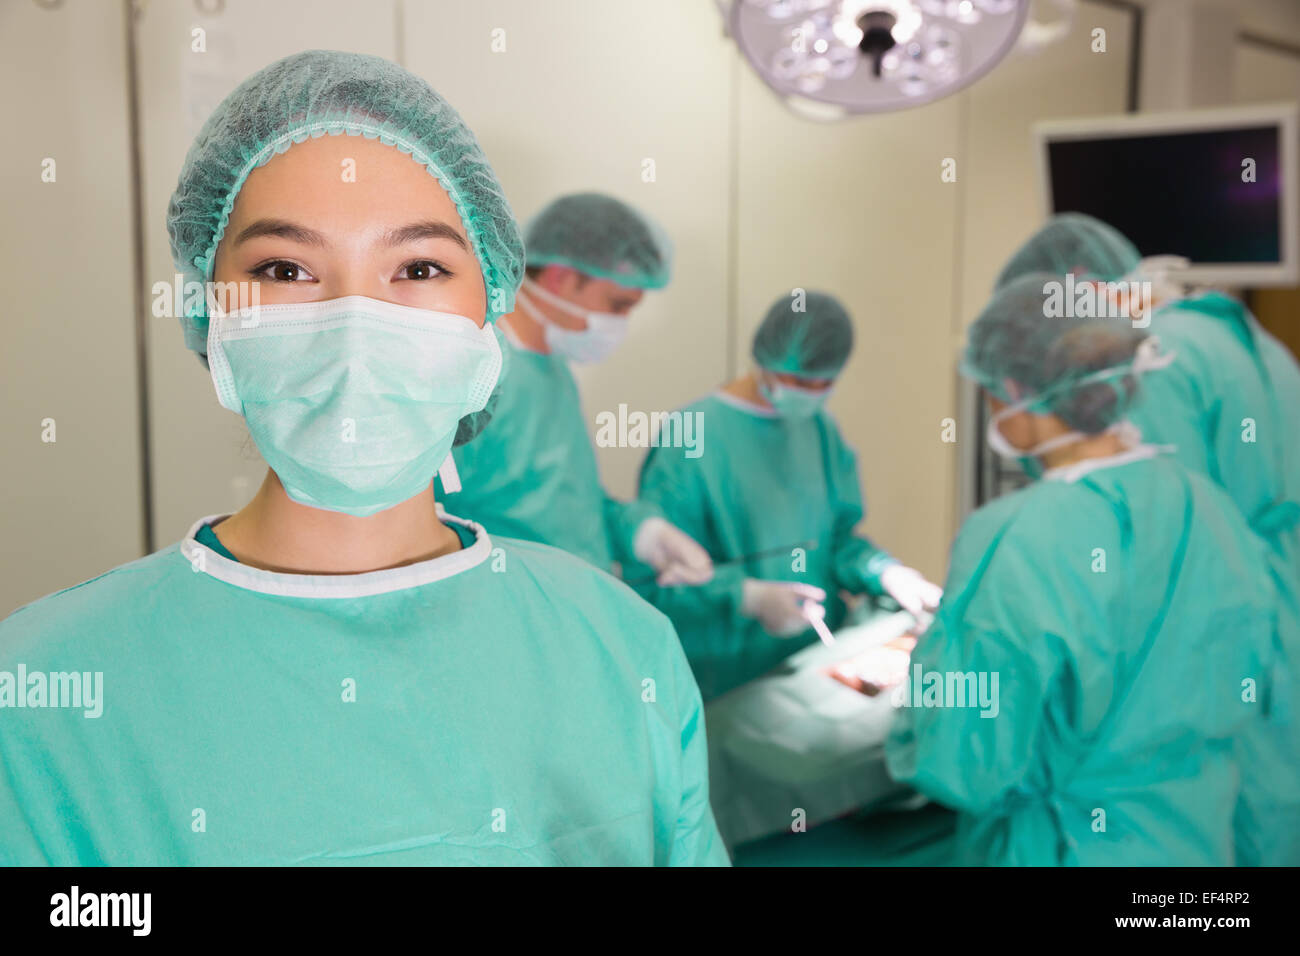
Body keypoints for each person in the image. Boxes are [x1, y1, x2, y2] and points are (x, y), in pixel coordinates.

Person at [0, 51, 728, 866]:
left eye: (418, 268)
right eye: (286, 269)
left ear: (487, 307)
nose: (355, 325)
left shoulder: (625, 651)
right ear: (211, 309)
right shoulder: (43, 697)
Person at [884, 273, 1278, 866]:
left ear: (1020, 393)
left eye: (992, 391)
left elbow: (963, 763)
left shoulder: (1018, 537)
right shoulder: (1208, 505)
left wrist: (924, 683)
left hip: (1067, 845)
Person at [997, 213, 1300, 865]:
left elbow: (1149, 547)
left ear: (1078, 287)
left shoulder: (1151, 363)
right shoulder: (1239, 336)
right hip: (1276, 625)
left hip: (1212, 646)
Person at [632, 291, 942, 701]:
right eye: (800, 381)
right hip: (722, 678)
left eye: (824, 383)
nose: (812, 393)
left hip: (810, 664)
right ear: (765, 359)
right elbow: (658, 579)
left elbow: (837, 541)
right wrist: (747, 597)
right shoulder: (692, 436)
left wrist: (882, 571)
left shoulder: (819, 430)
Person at [443, 192, 713, 585]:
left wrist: (642, 533)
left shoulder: (553, 369)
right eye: (618, 305)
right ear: (561, 277)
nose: (620, 323)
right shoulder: (474, 374)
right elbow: (426, 522)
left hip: (569, 604)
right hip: (506, 611)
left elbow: (568, 501)